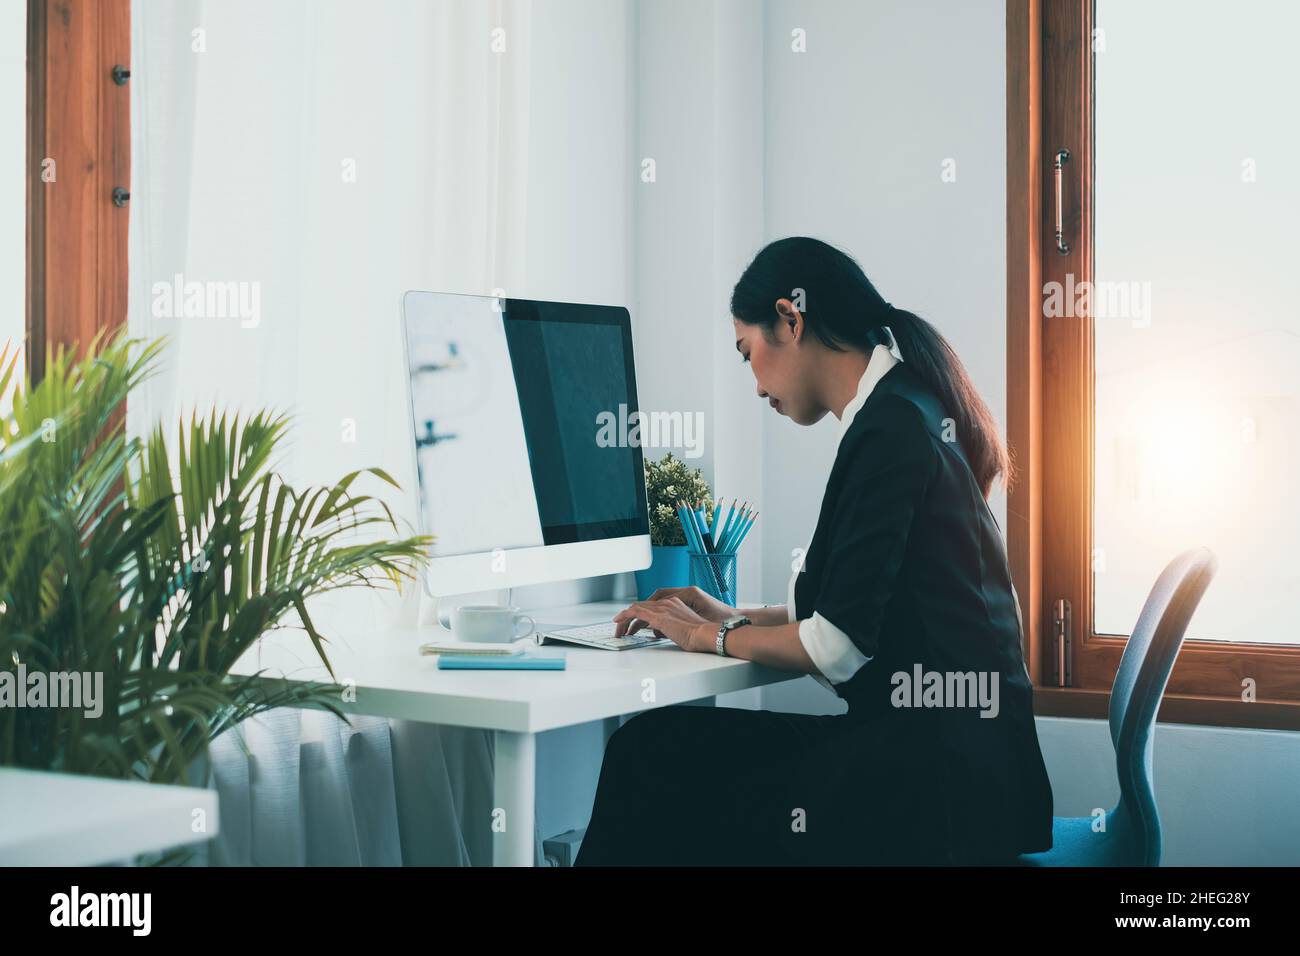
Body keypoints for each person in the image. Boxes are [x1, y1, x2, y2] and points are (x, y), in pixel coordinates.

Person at [574, 236, 1053, 866]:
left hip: (930, 791)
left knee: (648, 755)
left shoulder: (889, 431)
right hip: (963, 775)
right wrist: (727, 614)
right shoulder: (907, 406)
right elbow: (859, 610)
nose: (754, 386)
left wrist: (705, 637)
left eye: (747, 353)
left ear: (790, 319)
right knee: (663, 755)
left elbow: (836, 646)